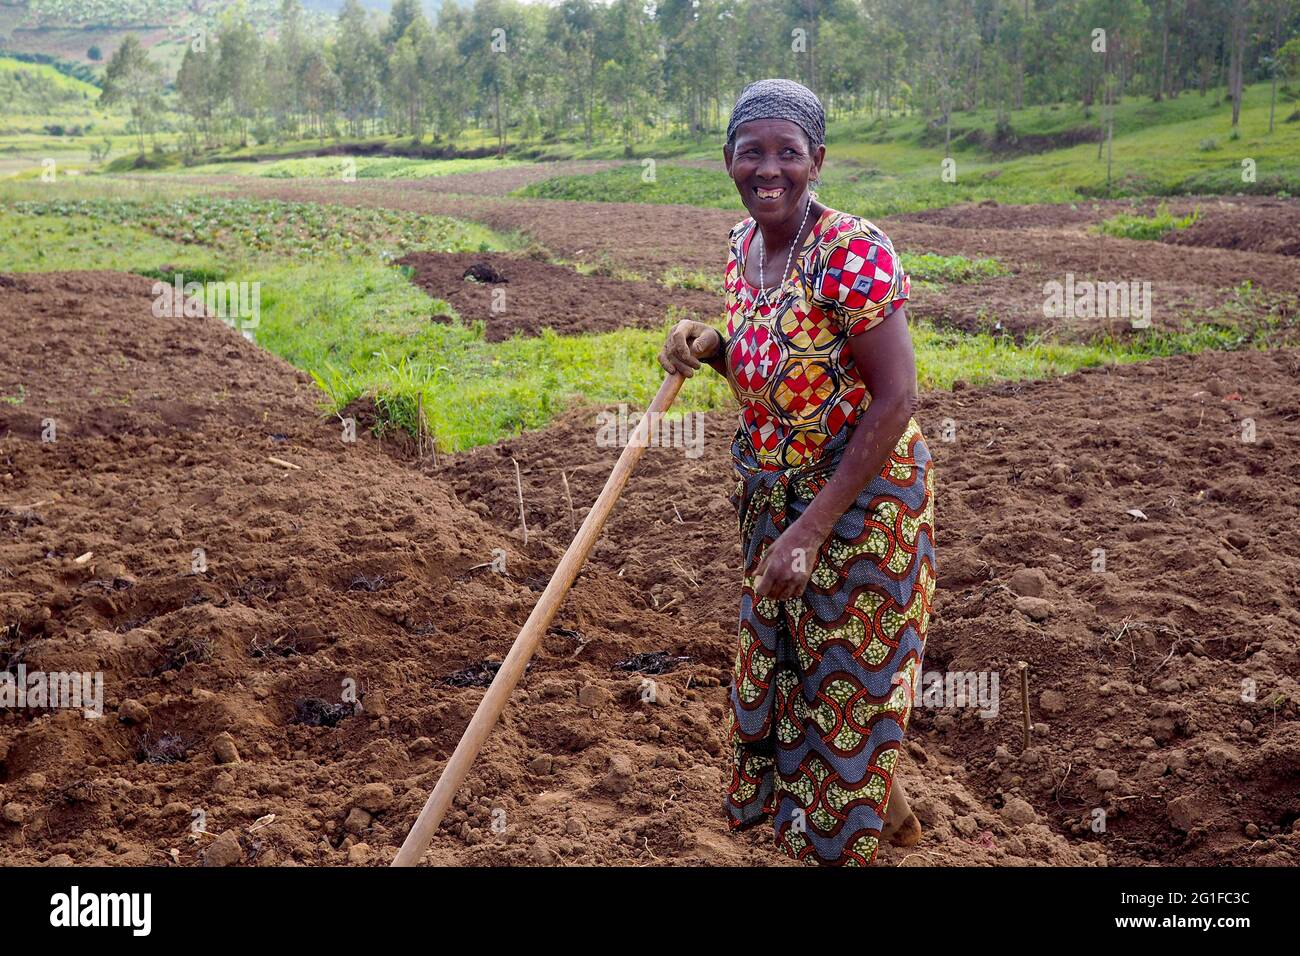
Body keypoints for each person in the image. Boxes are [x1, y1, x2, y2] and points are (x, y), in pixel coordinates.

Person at [658, 78, 937, 867]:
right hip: (772, 495)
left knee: (847, 680)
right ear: (728, 160)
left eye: (788, 152)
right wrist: (713, 347)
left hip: (863, 500)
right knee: (789, 673)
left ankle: (845, 847)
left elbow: (898, 396)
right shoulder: (742, 250)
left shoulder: (851, 251)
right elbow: (779, 383)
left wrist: (810, 532)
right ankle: (896, 819)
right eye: (753, 152)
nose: (768, 169)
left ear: (817, 159)